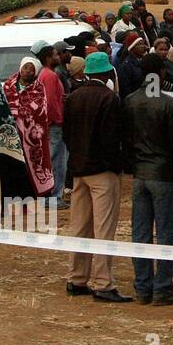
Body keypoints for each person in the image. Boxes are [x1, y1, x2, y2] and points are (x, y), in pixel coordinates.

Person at [62, 52, 131, 303]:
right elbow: (113, 139)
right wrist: (116, 166)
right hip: (103, 171)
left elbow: (67, 135)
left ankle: (77, 278)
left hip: (78, 170)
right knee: (104, 229)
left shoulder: (73, 97)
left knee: (79, 226)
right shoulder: (109, 98)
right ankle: (103, 283)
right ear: (107, 73)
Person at [122, 53, 173, 305]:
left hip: (140, 175)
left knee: (140, 233)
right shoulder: (169, 104)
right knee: (165, 232)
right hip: (162, 175)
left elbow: (125, 140)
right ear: (160, 74)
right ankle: (162, 287)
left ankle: (143, 286)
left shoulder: (130, 101)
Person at [2, 55, 55, 198]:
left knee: (32, 163)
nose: (28, 72)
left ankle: (31, 194)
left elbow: (41, 110)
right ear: (20, 68)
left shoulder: (38, 89)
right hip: (12, 134)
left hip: (32, 135)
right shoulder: (8, 86)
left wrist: (25, 113)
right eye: (26, 68)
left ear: (35, 73)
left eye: (31, 70)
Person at [33, 42, 69, 208]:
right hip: (54, 125)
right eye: (55, 55)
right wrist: (57, 120)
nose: (58, 57)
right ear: (48, 58)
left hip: (51, 124)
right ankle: (54, 197)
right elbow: (50, 102)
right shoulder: (49, 75)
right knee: (56, 162)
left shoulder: (47, 74)